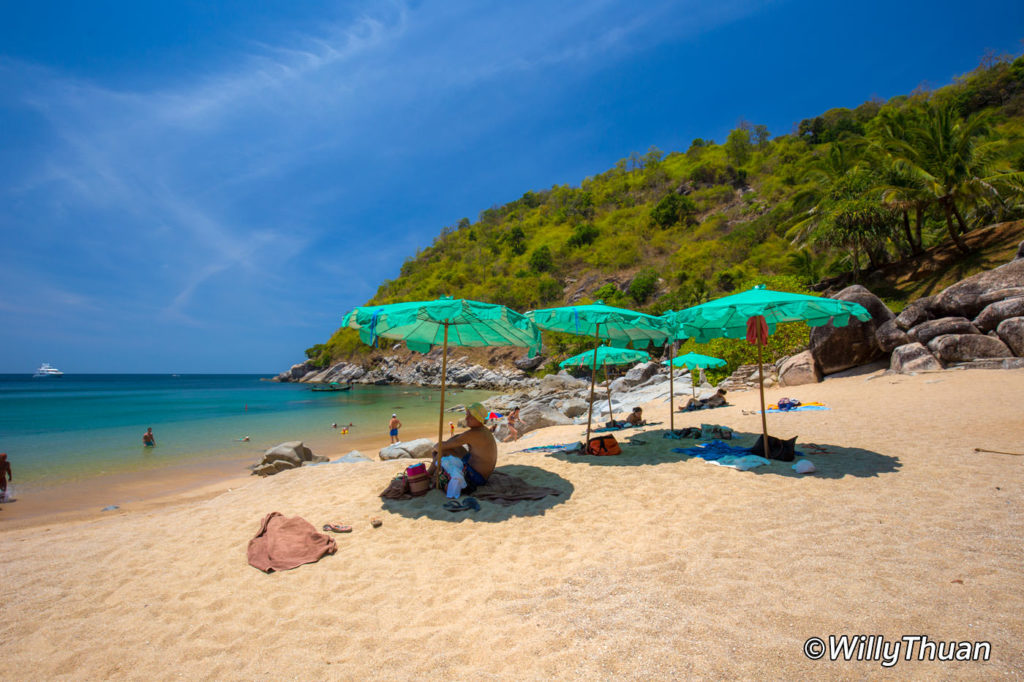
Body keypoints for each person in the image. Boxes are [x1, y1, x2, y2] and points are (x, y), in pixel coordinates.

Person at [428, 402, 496, 491]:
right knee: (455, 447)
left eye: (470, 416)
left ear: (478, 418)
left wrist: (436, 450)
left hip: (476, 477)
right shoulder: (483, 430)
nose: (466, 418)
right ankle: (432, 469)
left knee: (443, 451)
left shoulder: (472, 434)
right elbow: (457, 438)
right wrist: (446, 445)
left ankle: (427, 475)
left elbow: (439, 447)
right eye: (467, 415)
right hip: (483, 475)